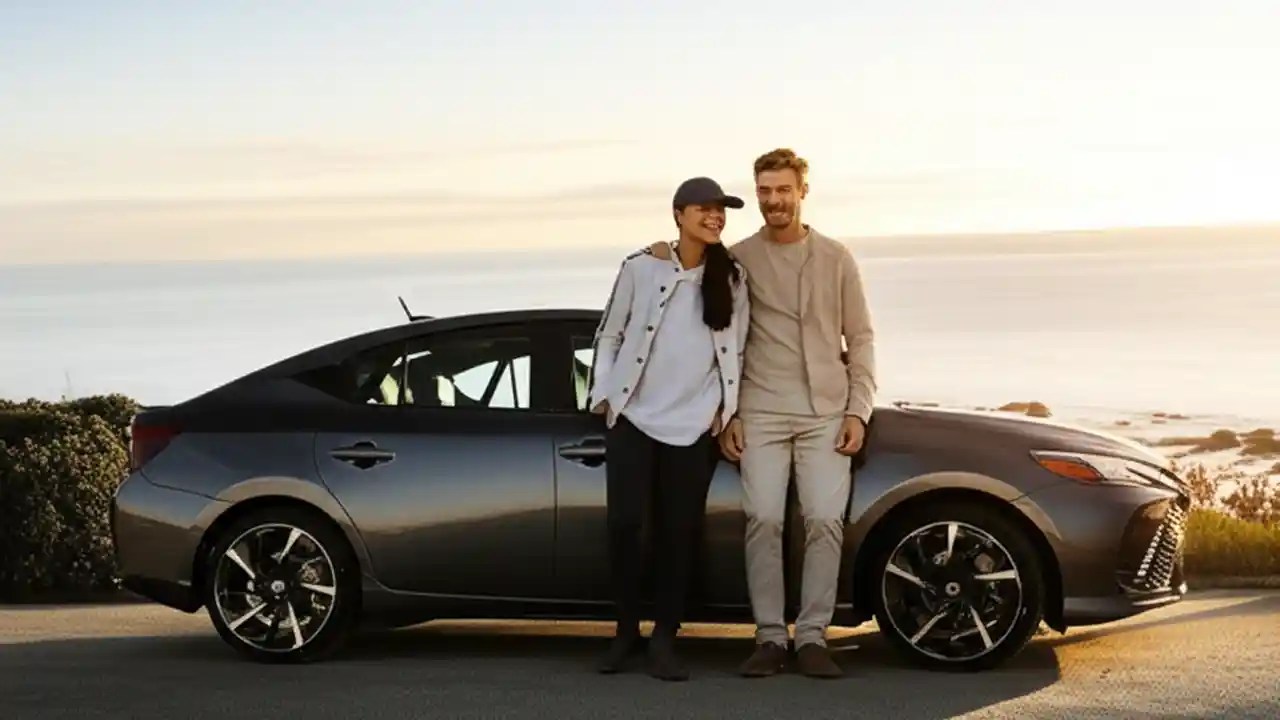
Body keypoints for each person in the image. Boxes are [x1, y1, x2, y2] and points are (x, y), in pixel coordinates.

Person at [719, 148, 877, 679]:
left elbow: (861, 338)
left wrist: (858, 410)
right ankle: (769, 638)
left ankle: (811, 638)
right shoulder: (738, 258)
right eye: (765, 191)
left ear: (802, 192)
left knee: (825, 521)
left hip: (825, 414)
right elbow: (720, 340)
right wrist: (728, 414)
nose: (774, 201)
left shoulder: (837, 258)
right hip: (760, 410)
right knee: (763, 519)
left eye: (783, 190)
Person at [587, 176, 751, 681]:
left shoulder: (732, 278)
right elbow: (609, 333)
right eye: (704, 208)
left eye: (721, 210)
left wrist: (727, 411)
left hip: (693, 424)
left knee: (678, 534)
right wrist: (604, 396)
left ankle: (664, 639)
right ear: (679, 214)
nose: (715, 217)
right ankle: (624, 632)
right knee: (625, 527)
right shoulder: (641, 267)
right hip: (634, 418)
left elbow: (738, 351)